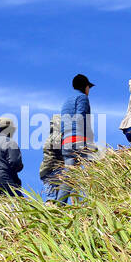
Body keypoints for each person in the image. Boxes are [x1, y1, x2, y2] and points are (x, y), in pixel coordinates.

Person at [55, 74, 95, 204]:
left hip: (66, 141)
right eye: (89, 87)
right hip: (78, 139)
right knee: (95, 166)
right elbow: (80, 117)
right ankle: (95, 200)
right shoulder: (82, 97)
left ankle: (59, 205)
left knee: (69, 176)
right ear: (85, 87)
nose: (89, 90)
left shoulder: (67, 101)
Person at [39, 111, 64, 199]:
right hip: (53, 172)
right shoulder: (56, 137)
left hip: (48, 172)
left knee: (52, 199)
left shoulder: (50, 137)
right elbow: (51, 158)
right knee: (53, 200)